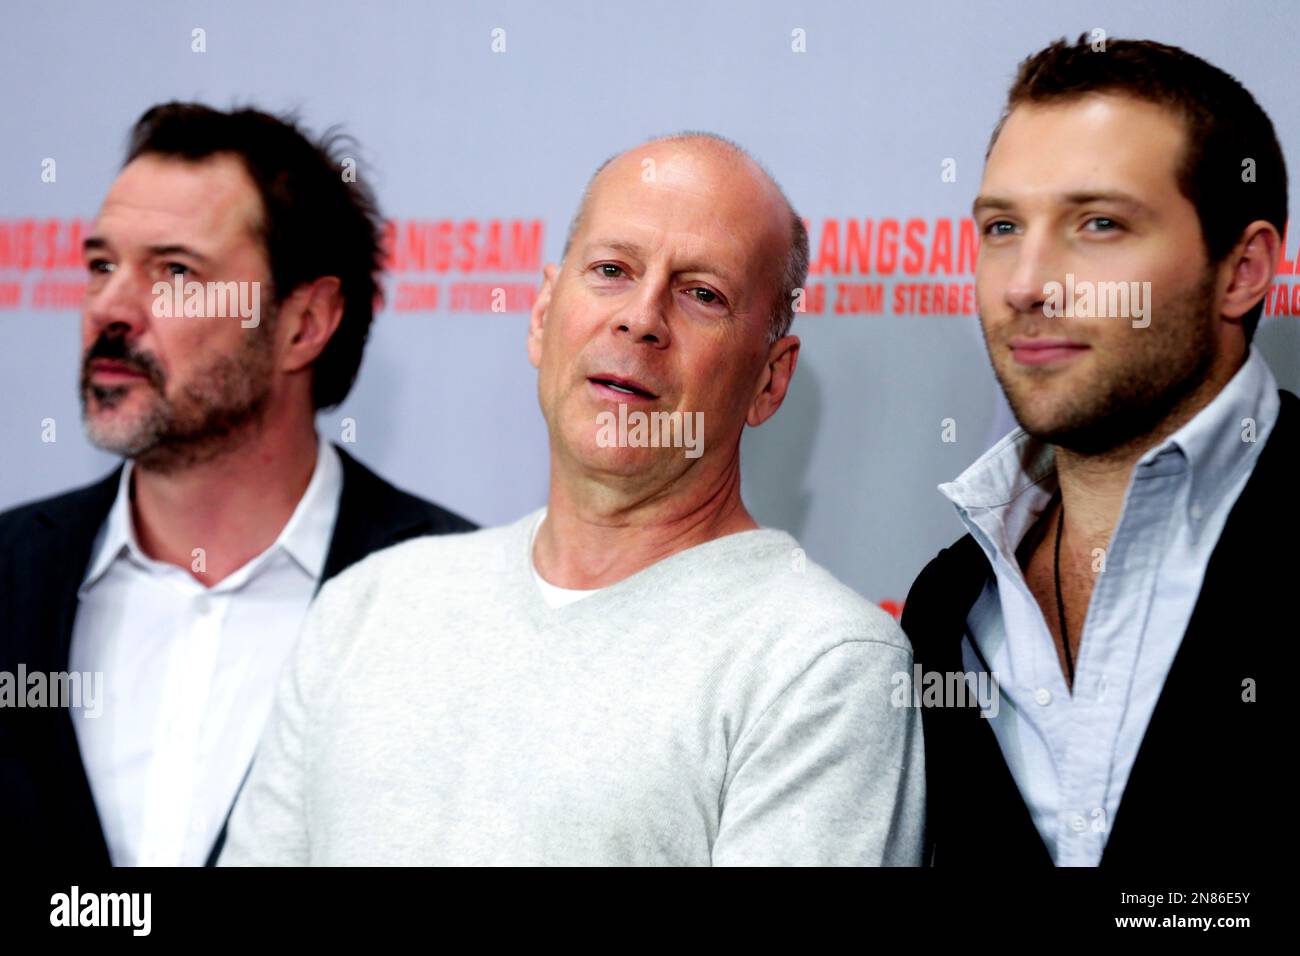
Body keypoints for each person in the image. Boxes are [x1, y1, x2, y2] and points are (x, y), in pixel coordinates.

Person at [220, 132, 925, 866]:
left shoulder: (821, 666)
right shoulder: (365, 608)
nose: (641, 319)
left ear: (770, 381)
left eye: (702, 295)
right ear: (543, 313)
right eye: (612, 271)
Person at [0, 102, 474, 867]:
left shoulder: (458, 599)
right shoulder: (10, 573)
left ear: (304, 323)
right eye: (101, 266)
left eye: (176, 273)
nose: (111, 309)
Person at [902, 37, 1290, 868]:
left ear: (1243, 269)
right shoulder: (946, 609)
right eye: (1002, 226)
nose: (1026, 282)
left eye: (1099, 224)